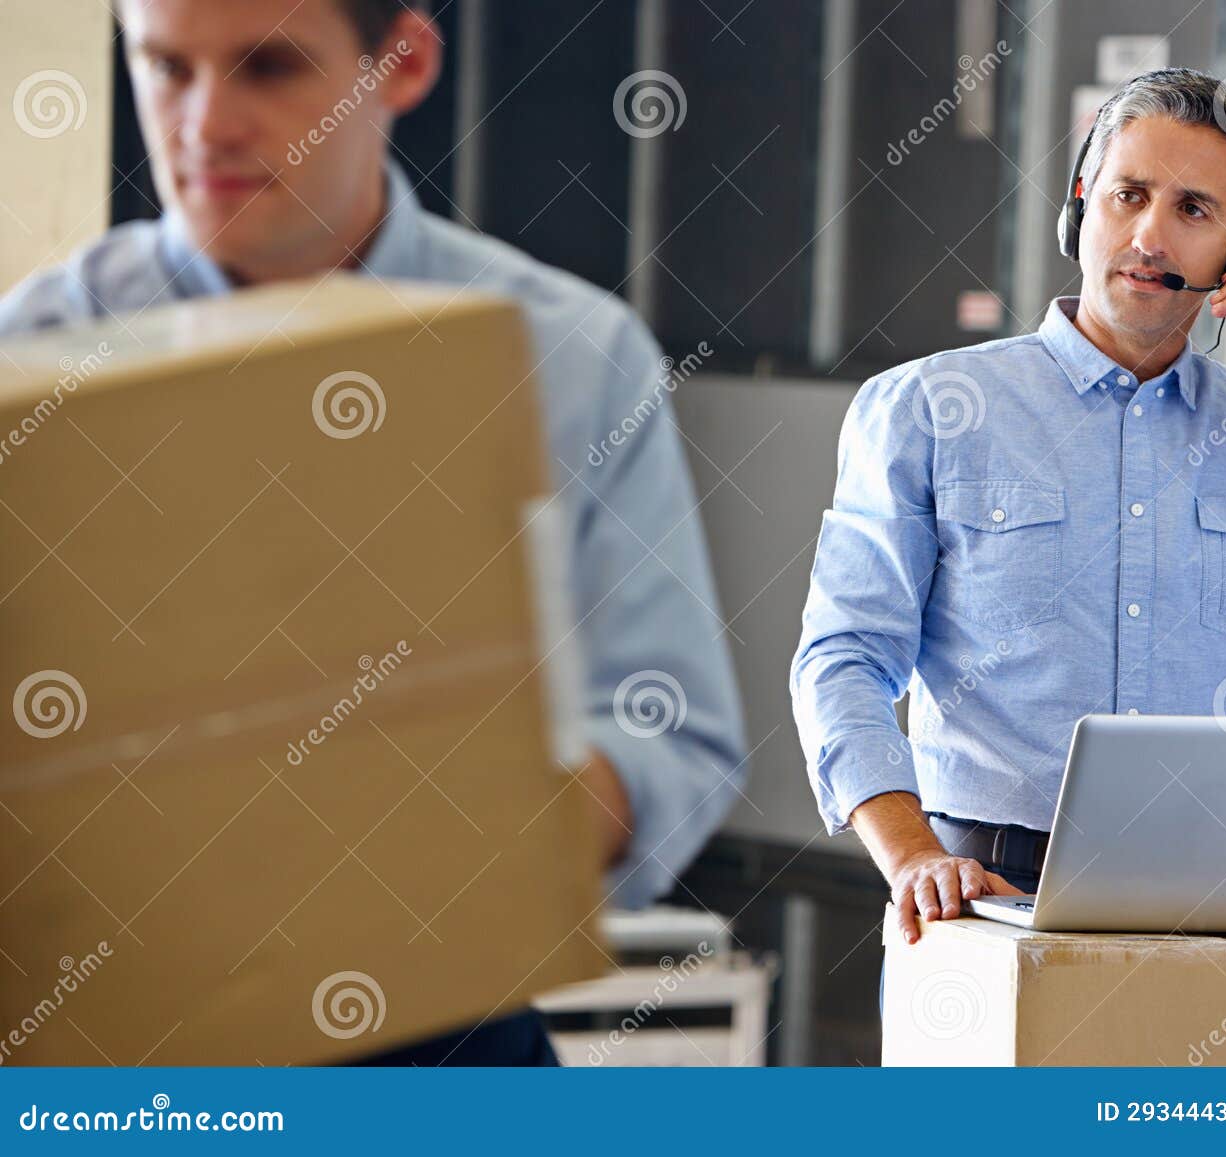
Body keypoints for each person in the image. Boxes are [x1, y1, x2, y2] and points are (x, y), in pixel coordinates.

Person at [0, 0, 747, 1063]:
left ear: (400, 62)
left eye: (268, 68)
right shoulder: (35, 355)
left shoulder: (571, 355)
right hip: (111, 1038)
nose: (205, 125)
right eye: (166, 68)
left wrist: (446, 834)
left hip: (438, 1028)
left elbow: (674, 733)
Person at [789, 68, 1226, 1001]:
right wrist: (910, 853)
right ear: (1082, 204)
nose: (1151, 235)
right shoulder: (928, 408)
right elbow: (843, 659)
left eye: (1194, 209)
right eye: (1129, 195)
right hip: (983, 896)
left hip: (1213, 904)